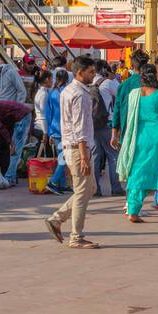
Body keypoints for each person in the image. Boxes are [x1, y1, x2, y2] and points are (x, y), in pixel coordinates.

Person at [44, 55, 100, 248]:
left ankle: (57, 219)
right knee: (83, 190)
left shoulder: (68, 90)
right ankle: (76, 236)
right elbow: (80, 127)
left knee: (88, 189)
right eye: (90, 72)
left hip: (72, 145)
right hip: (78, 148)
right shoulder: (81, 94)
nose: (93, 75)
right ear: (79, 72)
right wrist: (84, 155)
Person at [117, 62, 158, 223]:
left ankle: (133, 211)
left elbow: (127, 116)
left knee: (138, 173)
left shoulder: (134, 94)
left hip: (138, 138)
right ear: (155, 75)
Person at [89, 63, 122, 197]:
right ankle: (116, 188)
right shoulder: (107, 83)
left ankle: (96, 189)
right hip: (107, 123)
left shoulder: (88, 83)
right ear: (104, 70)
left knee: (96, 157)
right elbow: (121, 93)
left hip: (92, 124)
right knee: (113, 156)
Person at [0, 97, 32, 183]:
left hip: (22, 117)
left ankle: (9, 178)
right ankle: (12, 177)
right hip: (21, 117)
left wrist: (11, 143)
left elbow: (0, 126)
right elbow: (0, 130)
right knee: (14, 150)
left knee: (15, 151)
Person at [110, 50, 148, 142]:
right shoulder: (153, 85)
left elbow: (117, 110)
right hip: (147, 132)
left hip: (127, 131)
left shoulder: (124, 85)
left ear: (132, 65)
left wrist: (114, 133)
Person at [45, 68, 71, 192]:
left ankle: (63, 185)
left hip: (55, 130)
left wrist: (49, 132)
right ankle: (53, 182)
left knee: (62, 157)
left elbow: (47, 114)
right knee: (64, 158)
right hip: (65, 130)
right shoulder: (67, 92)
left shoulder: (52, 93)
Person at [32, 68, 53, 154]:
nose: (52, 81)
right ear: (47, 79)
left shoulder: (42, 92)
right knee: (47, 155)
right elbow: (43, 114)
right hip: (41, 128)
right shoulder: (43, 94)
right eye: (52, 79)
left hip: (40, 127)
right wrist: (45, 132)